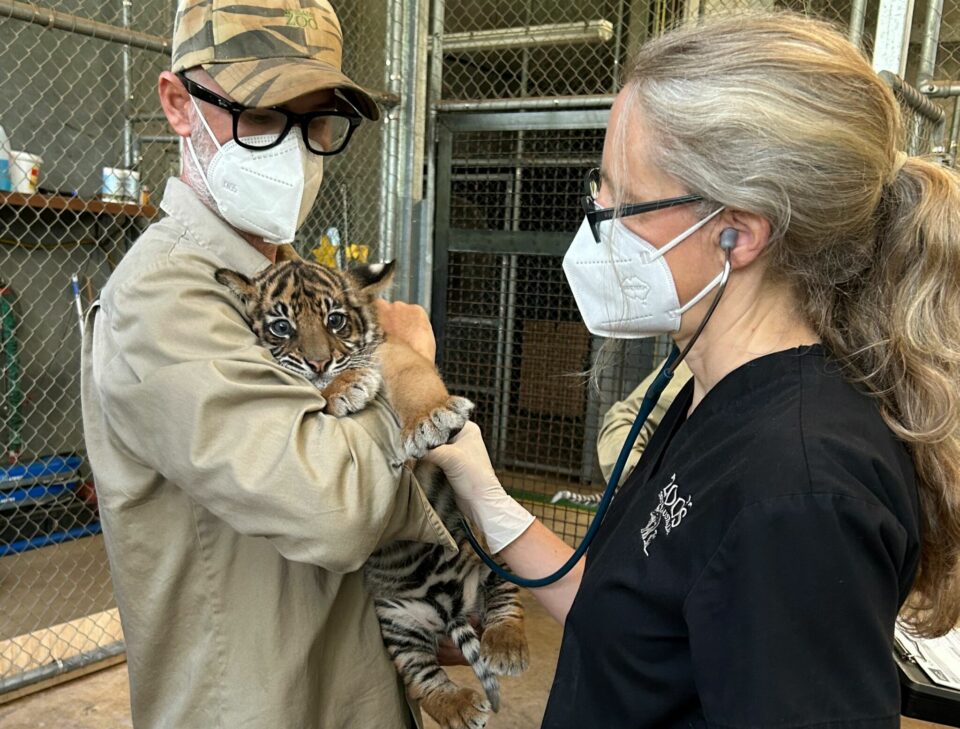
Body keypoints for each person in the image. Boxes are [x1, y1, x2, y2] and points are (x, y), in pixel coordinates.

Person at [395, 13, 960, 728]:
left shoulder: (800, 492)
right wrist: (485, 492)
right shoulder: (714, 393)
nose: (595, 217)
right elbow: (637, 617)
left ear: (738, 232)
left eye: (619, 197)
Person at [80, 2, 454, 727]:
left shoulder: (285, 277)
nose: (297, 151)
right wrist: (405, 369)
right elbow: (337, 508)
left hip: (346, 686)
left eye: (316, 123)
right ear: (179, 104)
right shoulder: (161, 300)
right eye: (261, 116)